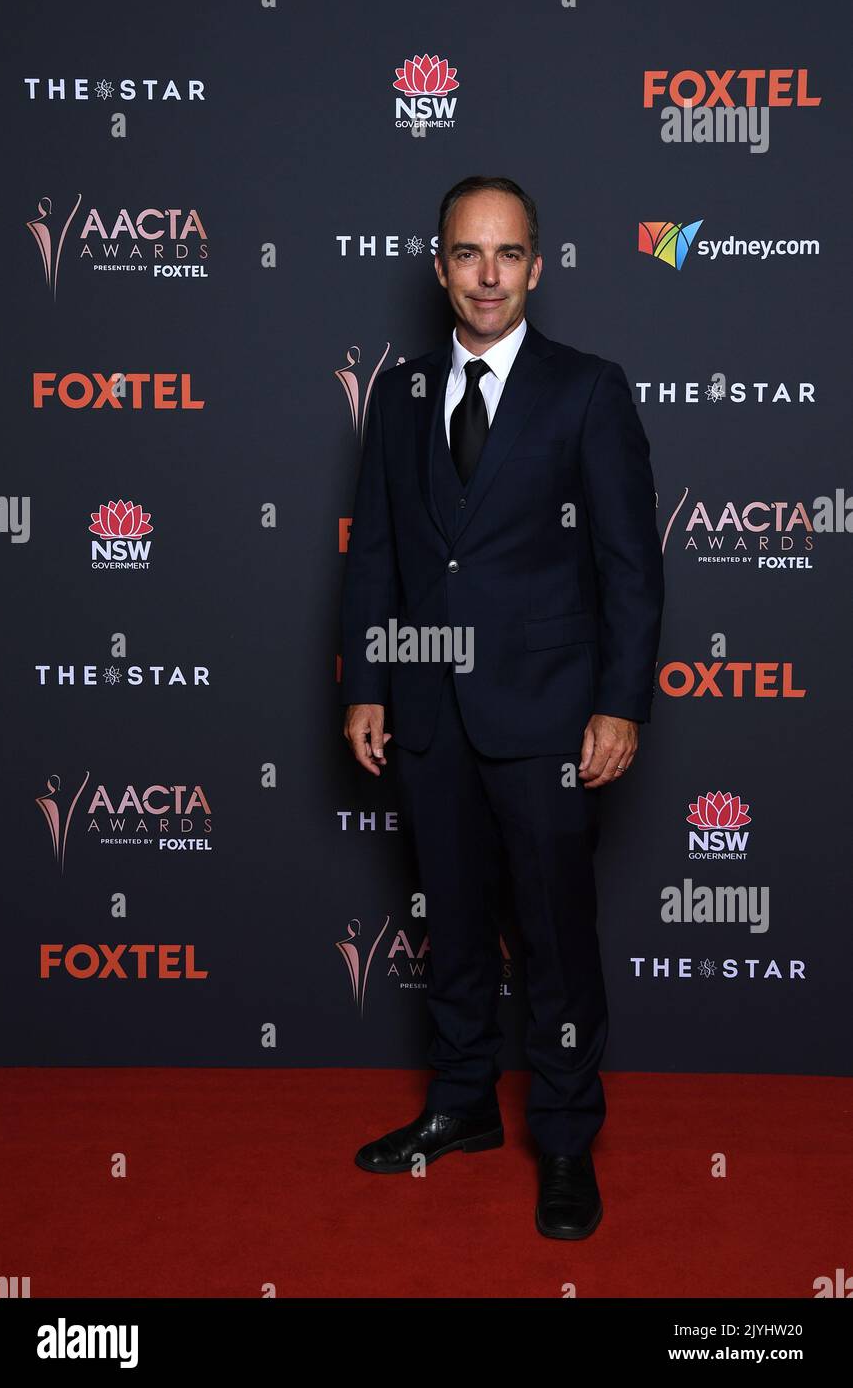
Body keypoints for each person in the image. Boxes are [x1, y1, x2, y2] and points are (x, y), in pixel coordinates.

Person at [339, 175, 664, 1239]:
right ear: (437, 267)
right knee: (454, 931)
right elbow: (379, 554)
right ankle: (462, 1105)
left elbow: (626, 565)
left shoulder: (586, 390)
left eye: (507, 253)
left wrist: (620, 703)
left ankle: (565, 1141)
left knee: (556, 940)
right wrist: (368, 684)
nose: (487, 274)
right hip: (427, 710)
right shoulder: (395, 395)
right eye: (467, 254)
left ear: (536, 265)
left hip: (547, 718)